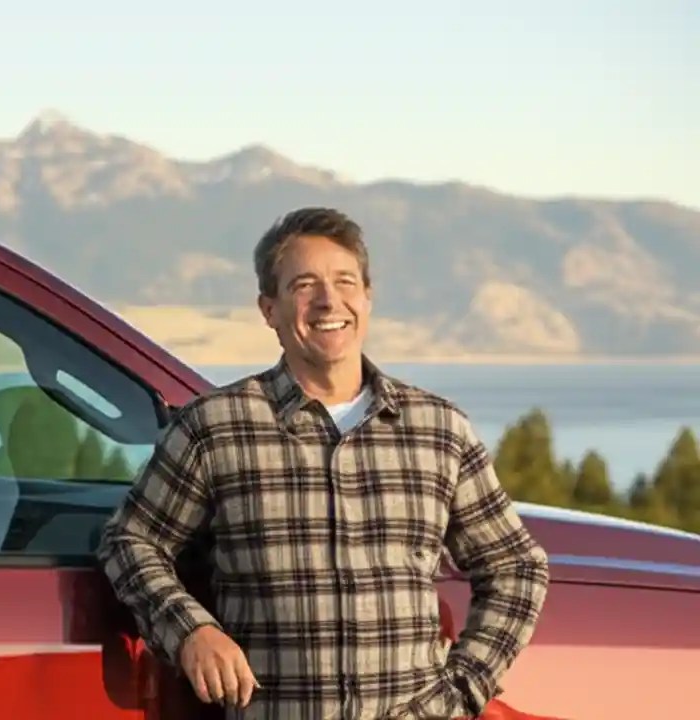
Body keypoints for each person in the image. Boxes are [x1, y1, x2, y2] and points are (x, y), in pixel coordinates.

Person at [96, 207, 550, 719]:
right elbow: (130, 541)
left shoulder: (438, 430)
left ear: (367, 297)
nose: (329, 301)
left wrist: (461, 692)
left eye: (345, 282)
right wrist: (189, 632)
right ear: (269, 308)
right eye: (304, 285)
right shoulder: (215, 427)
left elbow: (516, 566)